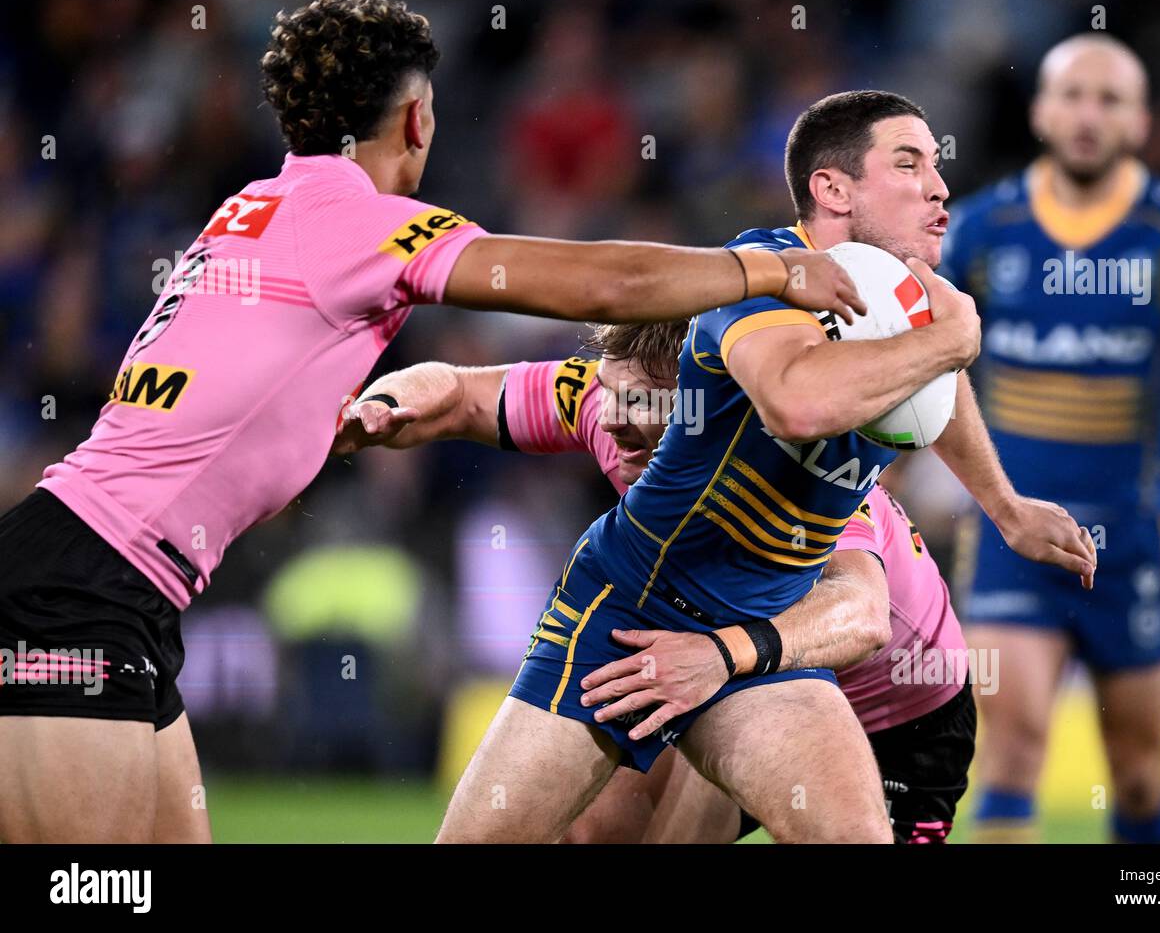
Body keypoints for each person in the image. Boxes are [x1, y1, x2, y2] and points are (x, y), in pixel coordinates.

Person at [0, 0, 865, 844]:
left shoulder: (248, 211)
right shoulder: (358, 224)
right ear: (415, 119)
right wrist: (769, 272)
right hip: (79, 591)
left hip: (113, 587)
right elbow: (607, 287)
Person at [429, 90, 1096, 844]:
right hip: (673, 625)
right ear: (832, 188)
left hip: (861, 684)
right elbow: (800, 404)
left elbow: (934, 397)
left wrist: (1005, 506)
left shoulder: (900, 322)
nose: (938, 187)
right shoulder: (760, 283)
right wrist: (951, 341)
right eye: (908, 164)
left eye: (936, 167)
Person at [337, 318, 977, 843]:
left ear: (713, 405)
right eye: (612, 393)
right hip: (721, 653)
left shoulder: (792, 467)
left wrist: (719, 655)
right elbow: (458, 392)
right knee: (597, 834)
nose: (612, 422)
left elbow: (861, 613)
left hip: (901, 712)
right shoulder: (606, 403)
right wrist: (385, 404)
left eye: (643, 405)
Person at [940, 33, 1160, 843]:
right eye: (1070, 94)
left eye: (1109, 99)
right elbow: (914, 352)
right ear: (1039, 112)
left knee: (1137, 772)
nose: (1088, 114)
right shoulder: (982, 229)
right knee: (1011, 755)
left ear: (1139, 121)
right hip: (1012, 534)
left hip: (1133, 540)